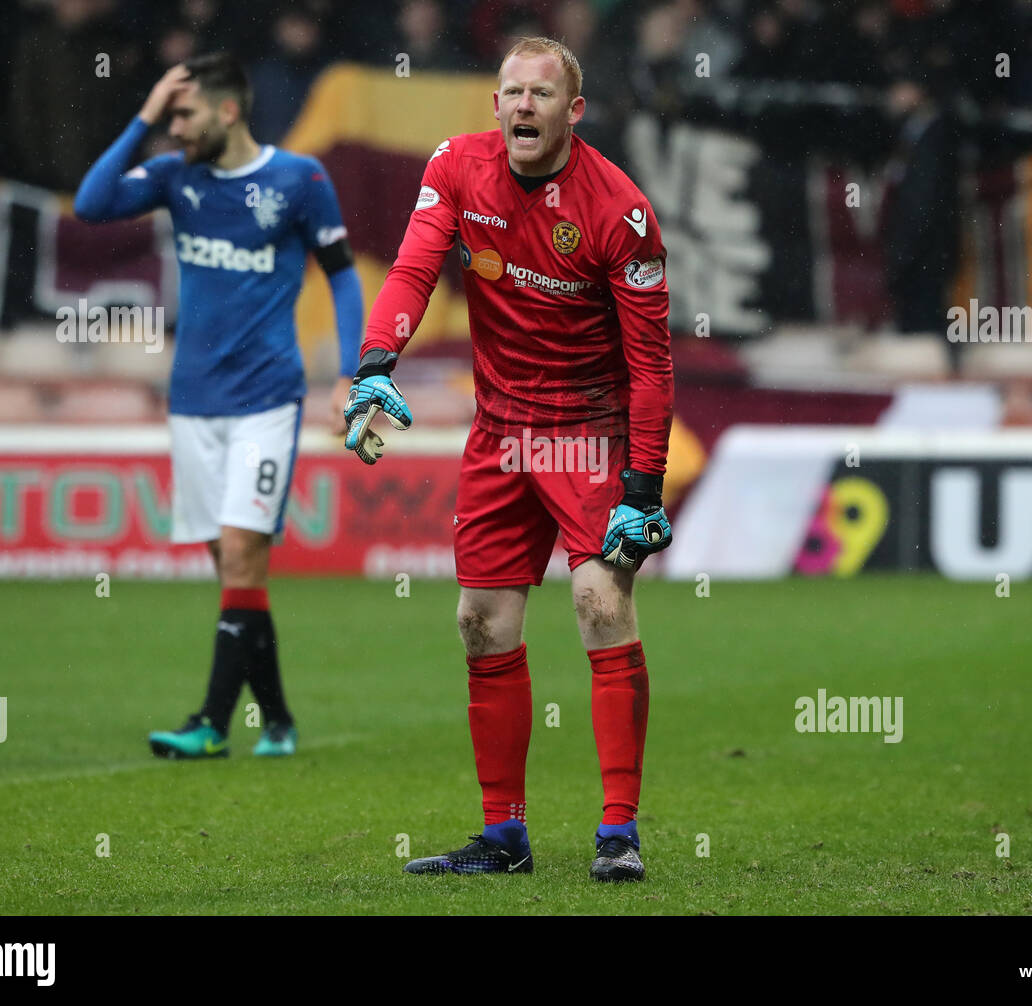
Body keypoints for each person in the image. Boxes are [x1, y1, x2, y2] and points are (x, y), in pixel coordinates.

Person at [343, 37, 674, 882]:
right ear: (495, 105)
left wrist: (642, 484)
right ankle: (503, 836)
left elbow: (651, 364)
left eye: (541, 93)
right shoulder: (457, 167)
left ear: (574, 110)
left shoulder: (620, 211)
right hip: (498, 433)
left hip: (584, 432)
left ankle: (618, 833)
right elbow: (414, 269)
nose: (523, 106)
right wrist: (377, 360)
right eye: (511, 92)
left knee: (601, 601)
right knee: (479, 623)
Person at [74, 53, 363, 759]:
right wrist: (143, 111)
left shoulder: (299, 180)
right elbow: (90, 203)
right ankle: (281, 720)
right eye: (168, 118)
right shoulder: (177, 178)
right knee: (235, 570)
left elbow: (345, 279)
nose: (173, 129)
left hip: (267, 398)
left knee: (238, 555)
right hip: (194, 401)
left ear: (228, 110)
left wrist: (353, 375)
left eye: (184, 114)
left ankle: (209, 724)